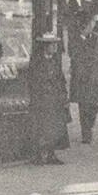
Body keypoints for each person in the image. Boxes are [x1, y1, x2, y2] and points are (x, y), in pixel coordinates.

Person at [68, 12, 98, 144]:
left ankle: (89, 125)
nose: (93, 25)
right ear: (84, 26)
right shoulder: (74, 41)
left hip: (96, 78)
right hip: (82, 79)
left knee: (95, 104)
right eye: (90, 23)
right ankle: (86, 132)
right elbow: (74, 58)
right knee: (84, 105)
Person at [29, 35, 70, 164]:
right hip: (42, 100)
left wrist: (64, 97)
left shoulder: (55, 62)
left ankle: (51, 154)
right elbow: (34, 81)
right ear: (45, 47)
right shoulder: (37, 62)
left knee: (54, 128)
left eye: (55, 45)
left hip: (55, 100)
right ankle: (38, 155)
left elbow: (61, 81)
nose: (55, 48)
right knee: (41, 128)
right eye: (52, 45)